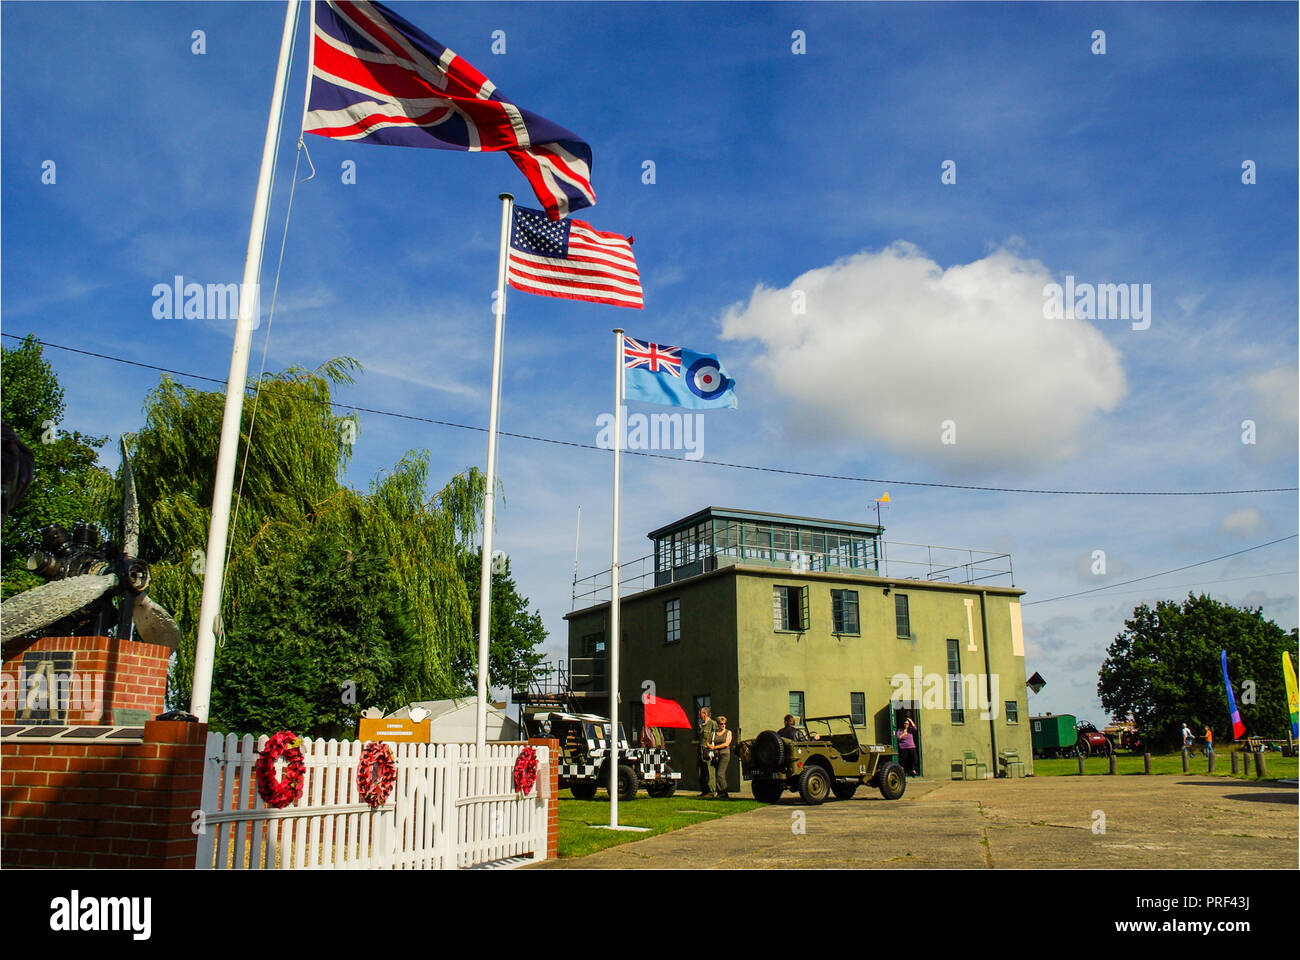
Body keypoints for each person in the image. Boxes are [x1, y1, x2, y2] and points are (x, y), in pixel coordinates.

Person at [696, 706, 717, 797]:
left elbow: (716, 736)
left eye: (700, 713)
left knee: (709, 770)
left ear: (705, 714)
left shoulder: (713, 723)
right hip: (701, 750)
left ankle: (711, 791)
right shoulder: (701, 725)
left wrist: (714, 749)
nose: (699, 715)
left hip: (708, 750)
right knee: (702, 771)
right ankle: (704, 791)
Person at [711, 716, 733, 798]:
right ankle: (719, 792)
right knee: (717, 773)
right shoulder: (714, 733)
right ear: (718, 724)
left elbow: (726, 744)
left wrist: (715, 747)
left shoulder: (728, 732)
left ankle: (724, 792)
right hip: (716, 755)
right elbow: (708, 742)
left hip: (725, 754)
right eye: (721, 724)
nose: (723, 725)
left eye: (725, 724)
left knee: (720, 773)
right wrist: (709, 746)